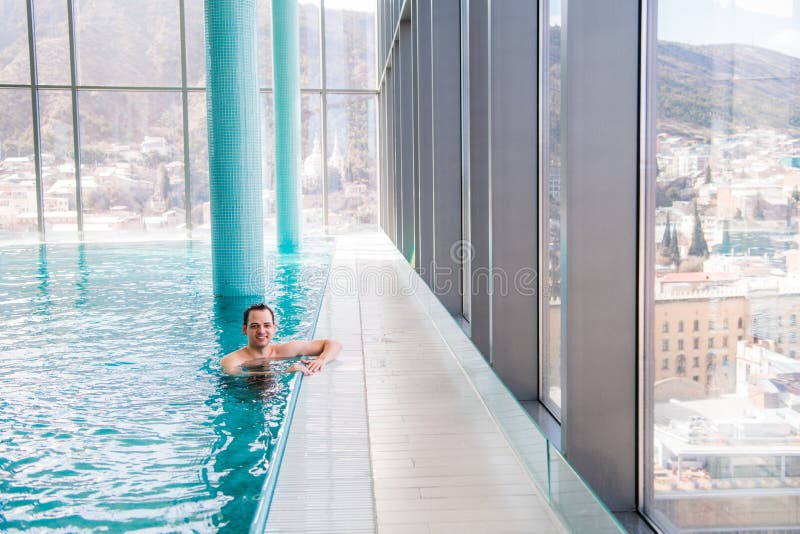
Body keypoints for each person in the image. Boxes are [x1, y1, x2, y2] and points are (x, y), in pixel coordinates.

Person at [221, 303, 341, 376]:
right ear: (244, 329)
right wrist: (283, 372)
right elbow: (239, 375)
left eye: (267, 325)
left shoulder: (286, 350)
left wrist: (322, 360)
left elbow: (333, 344)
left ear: (274, 328)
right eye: (254, 326)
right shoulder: (231, 360)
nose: (261, 331)